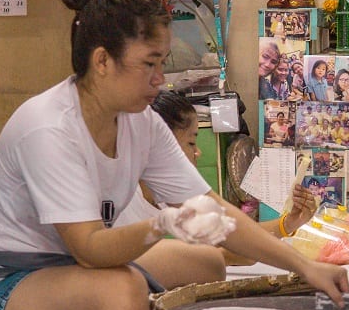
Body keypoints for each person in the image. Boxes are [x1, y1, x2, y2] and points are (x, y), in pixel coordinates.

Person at [0, 0, 349, 310]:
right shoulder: (49, 128)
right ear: (101, 61)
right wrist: (160, 224)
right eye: (149, 64)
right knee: (121, 290)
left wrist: (305, 268)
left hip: (65, 268)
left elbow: (213, 210)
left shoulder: (141, 120)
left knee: (206, 264)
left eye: (163, 62)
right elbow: (89, 250)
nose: (160, 78)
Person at [117, 90, 319, 274]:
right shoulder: (122, 196)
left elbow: (236, 232)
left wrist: (288, 223)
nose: (198, 152)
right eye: (190, 143)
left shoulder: (171, 193)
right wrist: (223, 256)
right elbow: (129, 262)